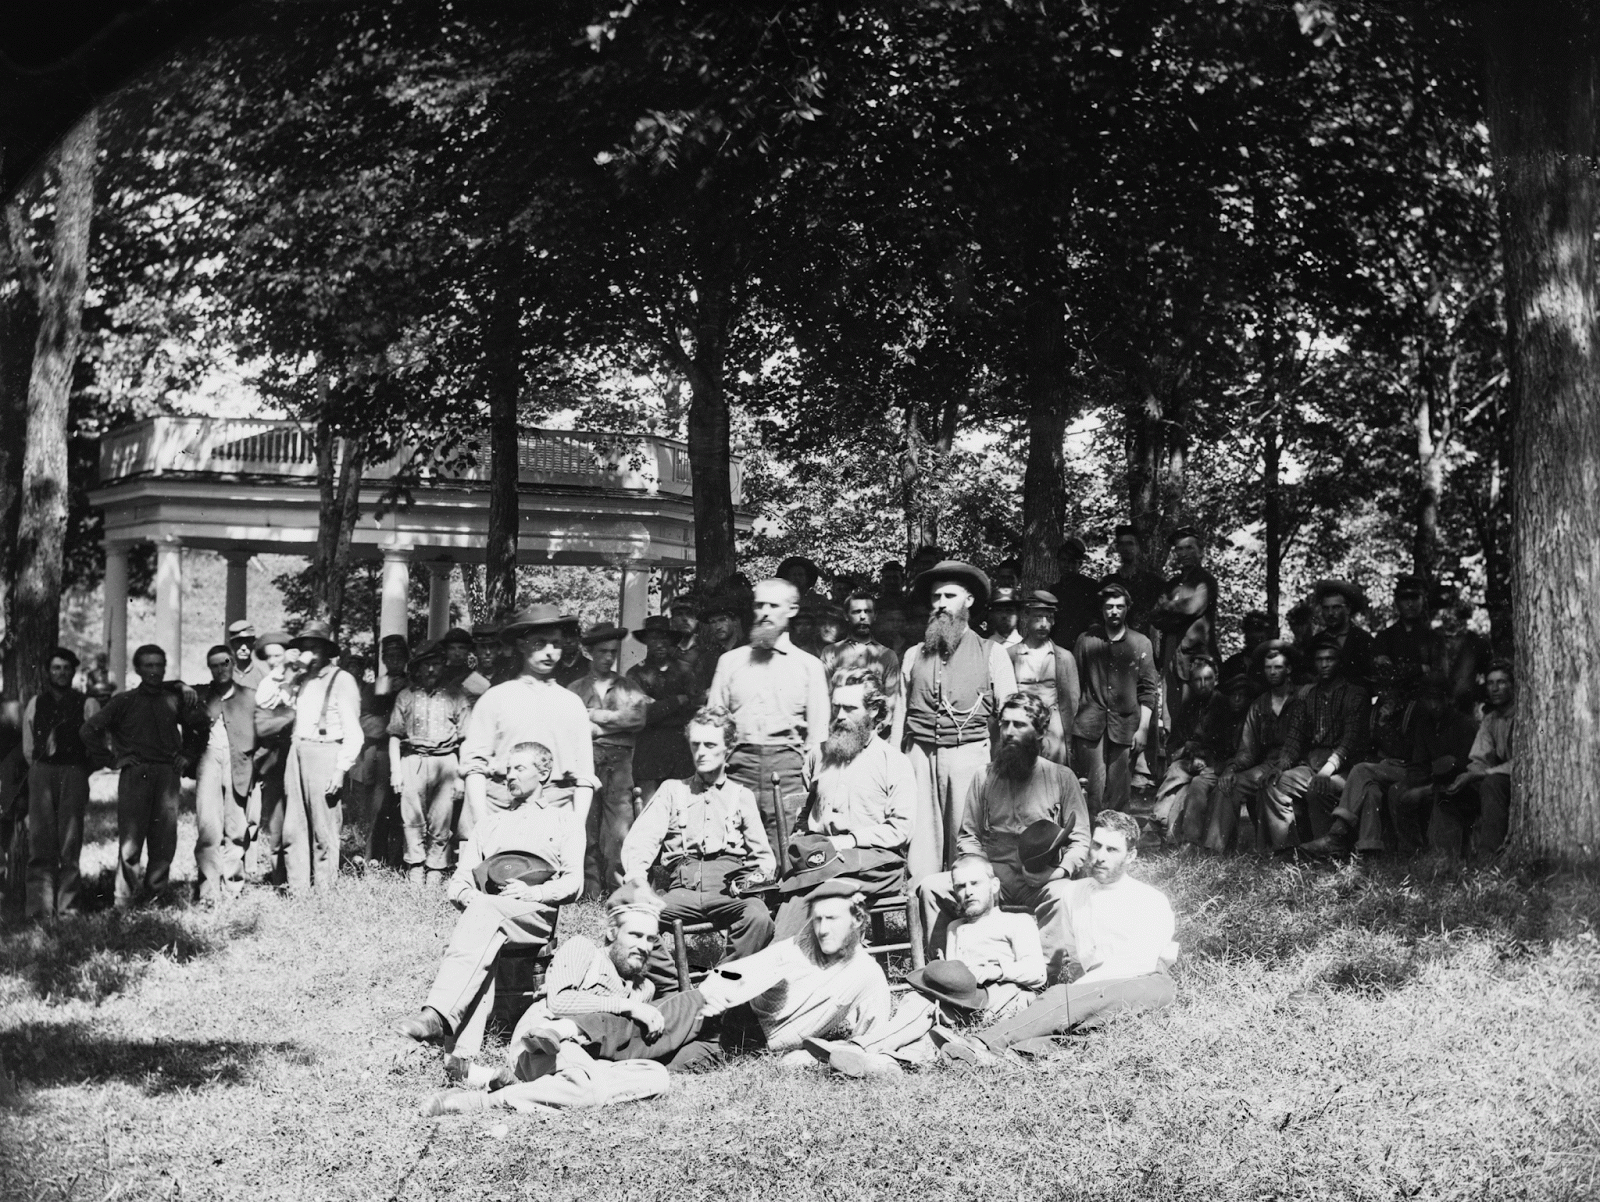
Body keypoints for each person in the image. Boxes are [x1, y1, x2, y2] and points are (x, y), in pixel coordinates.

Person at [520, 878, 892, 1072]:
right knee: (666, 1016)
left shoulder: (867, 975)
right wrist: (714, 990)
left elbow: (874, 1038)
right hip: (728, 1008)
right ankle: (572, 1032)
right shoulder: (801, 945)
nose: (823, 928)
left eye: (833, 920)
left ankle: (584, 1065)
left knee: (663, 1065)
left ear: (858, 921)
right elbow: (751, 969)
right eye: (819, 919)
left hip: (744, 1046)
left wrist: (816, 1056)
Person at [937, 810, 1177, 1061]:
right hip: (1099, 987)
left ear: (1131, 856)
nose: (1100, 857)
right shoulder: (1074, 893)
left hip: (1147, 981)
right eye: (1096, 845)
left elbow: (1139, 963)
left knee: (1063, 997)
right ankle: (1013, 1056)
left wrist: (1075, 991)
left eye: (1112, 850)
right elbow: (1076, 957)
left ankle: (982, 1042)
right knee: (1082, 1021)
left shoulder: (1149, 899)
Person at [395, 740, 583, 1045]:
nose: (510, 776)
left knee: (484, 914)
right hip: (488, 911)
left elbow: (574, 883)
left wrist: (533, 894)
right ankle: (461, 1057)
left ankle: (438, 1016)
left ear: (544, 774)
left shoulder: (565, 821)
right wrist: (470, 897)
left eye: (520, 768)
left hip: (534, 915)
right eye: (508, 769)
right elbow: (458, 882)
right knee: (484, 916)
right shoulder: (490, 825)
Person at [804, 854, 1047, 1076]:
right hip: (968, 998)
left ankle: (859, 1047)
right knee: (917, 1001)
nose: (968, 892)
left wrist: (995, 970)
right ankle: (889, 1062)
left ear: (993, 886)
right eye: (961, 887)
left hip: (1008, 993)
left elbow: (1038, 973)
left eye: (975, 884)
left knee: (930, 1009)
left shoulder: (1016, 922)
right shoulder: (956, 928)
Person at [917, 692, 1090, 980]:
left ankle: (1048, 977)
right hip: (993, 875)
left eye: (1019, 725)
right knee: (930, 888)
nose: (1008, 733)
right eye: (1004, 724)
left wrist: (1058, 872)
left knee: (1062, 896)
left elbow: (1081, 839)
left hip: (1040, 879)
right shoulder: (983, 777)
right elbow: (968, 836)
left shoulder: (1062, 777)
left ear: (1040, 731)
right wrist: (980, 873)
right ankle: (944, 974)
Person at [619, 706, 776, 994]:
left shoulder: (741, 797)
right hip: (681, 891)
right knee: (629, 912)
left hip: (728, 891)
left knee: (758, 916)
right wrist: (638, 882)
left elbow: (764, 860)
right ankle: (677, 992)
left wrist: (752, 882)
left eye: (710, 745)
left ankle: (720, 990)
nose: (701, 752)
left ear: (727, 749)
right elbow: (640, 842)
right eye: (696, 745)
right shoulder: (671, 791)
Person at [890, 560, 1018, 882]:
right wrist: (893, 766)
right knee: (920, 853)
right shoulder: (912, 655)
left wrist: (1008, 770)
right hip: (919, 758)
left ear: (969, 601)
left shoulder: (993, 653)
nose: (941, 604)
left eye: (950, 595)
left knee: (968, 847)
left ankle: (969, 918)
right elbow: (899, 716)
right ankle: (923, 916)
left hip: (969, 757)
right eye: (936, 597)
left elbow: (1013, 716)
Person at [771, 670, 915, 938]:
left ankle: (782, 959)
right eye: (836, 707)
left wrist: (850, 840)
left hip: (875, 861)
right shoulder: (818, 755)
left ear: (874, 711)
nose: (839, 716)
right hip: (823, 858)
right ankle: (790, 960)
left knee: (813, 888)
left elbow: (901, 828)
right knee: (799, 886)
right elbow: (806, 810)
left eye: (849, 708)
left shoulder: (894, 762)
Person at [708, 578, 830, 852]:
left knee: (785, 849)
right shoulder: (730, 663)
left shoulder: (809, 666)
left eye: (774, 605)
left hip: (788, 771)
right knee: (735, 847)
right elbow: (712, 725)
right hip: (738, 767)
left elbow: (818, 737)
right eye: (759, 605)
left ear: (792, 609)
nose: (765, 612)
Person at [80, 644, 206, 908]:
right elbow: (89, 730)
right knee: (131, 841)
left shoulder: (174, 698)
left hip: (167, 774)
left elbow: (199, 725)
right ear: (137, 669)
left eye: (159, 665)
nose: (154, 671)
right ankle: (123, 900)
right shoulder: (124, 701)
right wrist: (113, 759)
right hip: (136, 774)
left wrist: (188, 755)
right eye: (147, 665)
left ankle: (156, 897)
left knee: (164, 841)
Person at [457, 604, 596, 835]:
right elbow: (474, 767)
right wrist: (482, 823)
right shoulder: (496, 698)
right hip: (500, 806)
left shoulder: (571, 703)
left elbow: (585, 777)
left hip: (556, 807)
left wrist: (576, 829)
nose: (550, 652)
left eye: (557, 644)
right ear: (521, 645)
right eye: (540, 643)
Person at [1264, 634, 1369, 852]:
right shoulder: (1307, 695)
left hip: (1344, 769)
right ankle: (1288, 848)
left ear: (1339, 662)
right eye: (1319, 660)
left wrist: (1327, 771)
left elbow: (1349, 741)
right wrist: (1281, 765)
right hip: (1313, 765)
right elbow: (1295, 736)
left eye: (1329, 659)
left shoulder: (1354, 694)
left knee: (1317, 789)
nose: (1324, 664)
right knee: (1276, 784)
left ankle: (1326, 850)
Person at [568, 622, 649, 898]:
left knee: (619, 830)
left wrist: (595, 722)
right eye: (602, 651)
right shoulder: (575, 689)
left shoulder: (628, 686)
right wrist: (617, 723)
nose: (607, 657)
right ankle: (589, 891)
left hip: (620, 764)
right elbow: (571, 726)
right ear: (590, 652)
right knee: (587, 827)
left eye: (613, 652)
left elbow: (637, 719)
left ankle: (617, 890)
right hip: (585, 762)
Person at [281, 623, 363, 891]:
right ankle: (298, 888)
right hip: (298, 751)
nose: (307, 653)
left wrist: (340, 769)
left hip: (326, 752)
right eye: (303, 648)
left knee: (324, 826)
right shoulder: (300, 679)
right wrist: (287, 669)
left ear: (326, 651)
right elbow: (271, 699)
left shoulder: (342, 680)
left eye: (313, 648)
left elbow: (354, 733)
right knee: (294, 824)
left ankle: (324, 889)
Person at [386, 639, 472, 884]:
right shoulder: (405, 696)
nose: (431, 670)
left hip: (446, 761)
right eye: (426, 665)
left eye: (436, 664)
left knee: (441, 816)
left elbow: (465, 738)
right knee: (411, 816)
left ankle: (435, 867)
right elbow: (394, 734)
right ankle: (415, 864)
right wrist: (395, 771)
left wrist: (460, 776)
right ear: (417, 668)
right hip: (412, 760)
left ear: (443, 666)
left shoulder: (456, 696)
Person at [21, 647, 98, 919]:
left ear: (73, 671)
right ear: (48, 672)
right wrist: (41, 772)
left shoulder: (87, 703)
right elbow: (29, 747)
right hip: (42, 772)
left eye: (66, 668)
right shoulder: (36, 702)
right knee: (40, 841)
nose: (61, 673)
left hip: (74, 772)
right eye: (56, 668)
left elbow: (96, 744)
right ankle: (39, 910)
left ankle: (69, 908)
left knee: (70, 840)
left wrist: (79, 769)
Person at [1205, 641, 1301, 852]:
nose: (1273, 672)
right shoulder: (1259, 705)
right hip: (1267, 764)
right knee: (1228, 785)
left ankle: (1281, 852)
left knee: (1271, 784)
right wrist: (1231, 769)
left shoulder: (1302, 698)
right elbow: (1247, 750)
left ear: (1289, 669)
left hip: (1299, 764)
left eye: (1278, 667)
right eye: (1268, 668)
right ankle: (1215, 850)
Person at [1071, 583, 1159, 815]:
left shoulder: (1141, 643)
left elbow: (1149, 690)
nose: (1114, 611)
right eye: (1109, 606)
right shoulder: (1086, 641)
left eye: (1120, 607)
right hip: (1090, 725)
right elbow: (1076, 684)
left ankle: (1119, 841)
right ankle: (1089, 842)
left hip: (1126, 725)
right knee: (1093, 788)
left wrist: (1143, 729)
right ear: (1101, 609)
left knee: (1120, 791)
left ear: (1127, 608)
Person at [191, 644, 257, 904]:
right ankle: (209, 890)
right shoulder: (200, 694)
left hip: (238, 762)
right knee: (208, 826)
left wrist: (255, 762)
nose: (220, 669)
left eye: (225, 663)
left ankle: (233, 887)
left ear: (233, 664)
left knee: (237, 825)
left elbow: (264, 728)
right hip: (209, 759)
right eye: (214, 665)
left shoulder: (249, 695)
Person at [1434, 659, 1514, 858]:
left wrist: (1481, 775)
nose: (1495, 688)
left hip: (1516, 779)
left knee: (1492, 784)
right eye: (1490, 683)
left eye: (1502, 682)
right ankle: (1445, 857)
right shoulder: (1490, 720)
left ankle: (1488, 857)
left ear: (1513, 685)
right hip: (1495, 775)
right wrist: (1465, 778)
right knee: (1451, 789)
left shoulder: (1526, 716)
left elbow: (1522, 764)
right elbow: (1480, 758)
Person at [1153, 656, 1232, 847]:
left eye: (1207, 679)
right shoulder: (1188, 706)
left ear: (1216, 679)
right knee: (1178, 776)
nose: (1202, 684)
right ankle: (1170, 831)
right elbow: (1175, 742)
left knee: (1177, 772)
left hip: (1216, 763)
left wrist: (1202, 755)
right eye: (1197, 680)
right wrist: (1187, 749)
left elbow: (1227, 744)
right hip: (1189, 760)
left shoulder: (1224, 706)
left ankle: (1156, 822)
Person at [1149, 526, 1220, 725]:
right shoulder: (1172, 584)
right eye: (1179, 549)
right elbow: (1155, 615)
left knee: (1194, 718)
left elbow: (1193, 607)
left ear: (1200, 551)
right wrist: (1175, 612)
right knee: (1171, 716)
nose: (1184, 554)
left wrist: (1170, 607)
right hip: (1172, 655)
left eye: (1189, 548)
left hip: (1196, 659)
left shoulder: (1206, 581)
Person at [627, 615, 697, 805]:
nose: (659, 644)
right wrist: (677, 701)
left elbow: (694, 707)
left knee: (682, 808)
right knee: (648, 808)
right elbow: (643, 714)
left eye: (664, 639)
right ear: (646, 642)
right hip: (649, 752)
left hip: (680, 751)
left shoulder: (685, 671)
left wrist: (658, 707)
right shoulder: (635, 674)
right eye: (653, 639)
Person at [251, 631, 303, 886]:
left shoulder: (301, 678)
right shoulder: (268, 684)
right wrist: (291, 717)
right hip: (275, 757)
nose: (273, 661)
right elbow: (263, 721)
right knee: (277, 817)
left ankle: (304, 873)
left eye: (278, 655)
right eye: (269, 657)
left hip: (301, 754)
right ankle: (279, 875)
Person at [1007, 590, 1080, 766]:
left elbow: (1073, 699)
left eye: (1048, 618)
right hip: (1021, 719)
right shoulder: (1011, 654)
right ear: (1026, 617)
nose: (1043, 624)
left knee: (1054, 771)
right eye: (1038, 617)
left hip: (1052, 722)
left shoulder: (1063, 657)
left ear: (1053, 621)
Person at [819, 591, 902, 721]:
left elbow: (891, 702)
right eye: (856, 612)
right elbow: (823, 696)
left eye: (868, 611)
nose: (863, 617)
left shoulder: (887, 656)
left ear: (875, 616)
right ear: (846, 616)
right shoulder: (830, 652)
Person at [1371, 575, 1440, 685]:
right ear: (1396, 602)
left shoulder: (1434, 638)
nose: (1410, 604)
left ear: (1423, 600)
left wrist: (1399, 670)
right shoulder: (1384, 637)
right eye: (1404, 598)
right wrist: (1420, 668)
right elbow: (1381, 674)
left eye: (1414, 597)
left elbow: (1439, 677)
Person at [1100, 525, 1167, 634]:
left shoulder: (1154, 583)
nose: (1126, 548)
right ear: (1117, 548)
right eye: (1122, 544)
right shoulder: (1107, 583)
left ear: (1138, 548)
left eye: (1130, 543)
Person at [1312, 580, 1375, 688]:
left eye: (1336, 607)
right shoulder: (1315, 642)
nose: (1330, 613)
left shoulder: (1364, 640)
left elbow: (1371, 679)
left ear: (1348, 609)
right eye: (1326, 608)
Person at [1047, 536, 1102, 651]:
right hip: (1057, 647)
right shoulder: (1053, 590)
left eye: (1072, 562)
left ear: (1080, 564)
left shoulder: (1090, 587)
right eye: (1063, 560)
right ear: (1057, 561)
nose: (1066, 565)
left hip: (1083, 648)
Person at [693, 593, 745, 694]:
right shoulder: (707, 659)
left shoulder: (748, 653)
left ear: (734, 621)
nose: (718, 626)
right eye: (713, 622)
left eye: (722, 620)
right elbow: (698, 695)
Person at [1218, 611, 1275, 695]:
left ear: (1267, 635)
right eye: (1249, 630)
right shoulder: (1233, 662)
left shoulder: (1274, 664)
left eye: (1258, 630)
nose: (1253, 635)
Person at [437, 628, 491, 698]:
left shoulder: (474, 677)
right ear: (446, 651)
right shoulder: (439, 676)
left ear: (468, 651)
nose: (457, 653)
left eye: (461, 648)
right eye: (452, 648)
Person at [553, 618, 592, 688]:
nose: (568, 641)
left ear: (579, 638)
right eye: (564, 636)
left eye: (572, 636)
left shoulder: (590, 668)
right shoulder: (551, 668)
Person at [226, 620, 264, 689]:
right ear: (232, 644)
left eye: (247, 642)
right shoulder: (225, 675)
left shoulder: (262, 677)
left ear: (253, 644)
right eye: (239, 642)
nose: (243, 648)